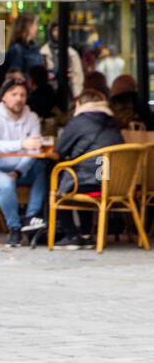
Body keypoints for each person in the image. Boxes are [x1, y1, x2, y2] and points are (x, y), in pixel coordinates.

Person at [0, 77, 48, 247]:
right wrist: (22, 144)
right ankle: (14, 227)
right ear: (3, 97)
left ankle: (30, 219)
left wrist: (19, 171)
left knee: (42, 168)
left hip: (18, 168)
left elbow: (34, 150)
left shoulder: (32, 117)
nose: (18, 98)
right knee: (6, 183)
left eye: (22, 95)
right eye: (14, 94)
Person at [52, 89, 123, 249]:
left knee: (60, 182)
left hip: (91, 182)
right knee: (84, 175)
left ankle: (72, 235)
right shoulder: (114, 122)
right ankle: (85, 234)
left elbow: (59, 151)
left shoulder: (79, 122)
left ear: (79, 104)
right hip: (115, 184)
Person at [40, 21, 83, 99]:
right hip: (48, 94)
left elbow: (78, 77)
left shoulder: (72, 53)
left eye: (60, 30)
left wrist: (77, 95)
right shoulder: (43, 52)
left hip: (68, 93)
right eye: (55, 30)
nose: (58, 33)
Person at [0, 12, 42, 87]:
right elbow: (15, 76)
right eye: (35, 24)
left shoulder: (34, 47)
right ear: (28, 26)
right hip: (26, 92)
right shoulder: (17, 49)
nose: (37, 27)